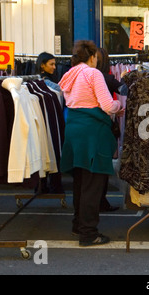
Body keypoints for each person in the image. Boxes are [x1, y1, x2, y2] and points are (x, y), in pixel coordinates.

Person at [58, 40, 121, 247]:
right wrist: (119, 105)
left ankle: (78, 225)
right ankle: (88, 233)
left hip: (74, 130)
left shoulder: (69, 74)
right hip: (93, 131)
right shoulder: (93, 74)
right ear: (93, 56)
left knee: (80, 182)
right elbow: (107, 105)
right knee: (93, 184)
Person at [96, 47, 127, 212]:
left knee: (89, 172)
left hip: (85, 129)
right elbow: (123, 90)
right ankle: (100, 202)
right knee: (102, 169)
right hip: (103, 128)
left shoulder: (81, 78)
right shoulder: (105, 79)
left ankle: (94, 204)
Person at [35, 52, 64, 194]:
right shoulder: (50, 84)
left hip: (41, 122)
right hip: (51, 122)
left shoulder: (34, 82)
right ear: (42, 65)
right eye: (51, 64)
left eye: (54, 64)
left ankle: (41, 185)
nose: (54, 67)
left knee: (42, 153)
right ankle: (54, 186)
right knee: (53, 152)